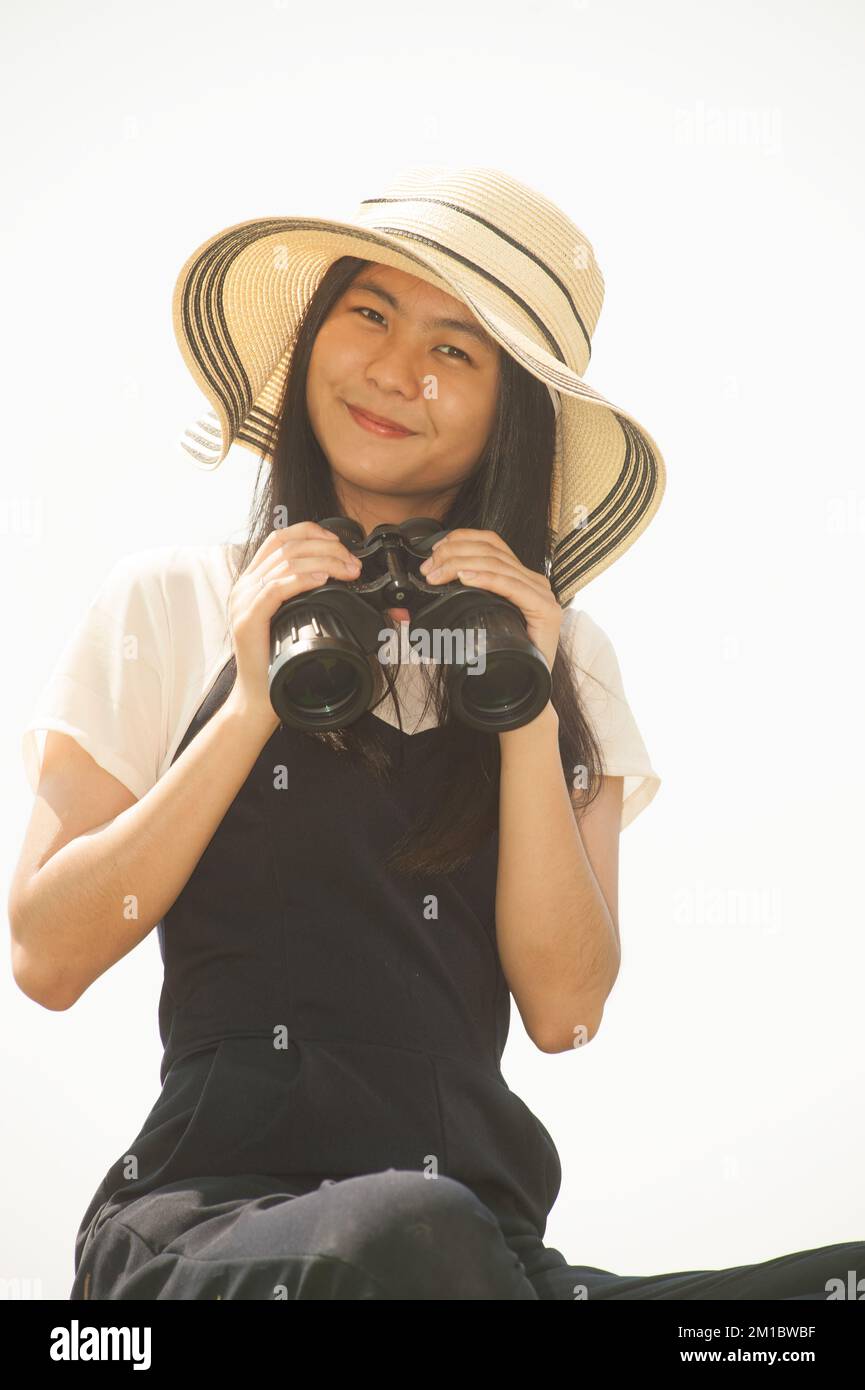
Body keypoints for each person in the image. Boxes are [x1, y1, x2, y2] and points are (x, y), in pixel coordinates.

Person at [11, 166, 863, 1300]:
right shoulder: (173, 600)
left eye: (455, 350)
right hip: (211, 1219)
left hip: (480, 1244)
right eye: (369, 313)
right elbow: (47, 955)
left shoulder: (565, 660)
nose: (395, 371)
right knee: (406, 1233)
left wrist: (521, 704)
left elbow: (563, 1009)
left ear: (510, 414)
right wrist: (252, 696)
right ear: (316, 335)